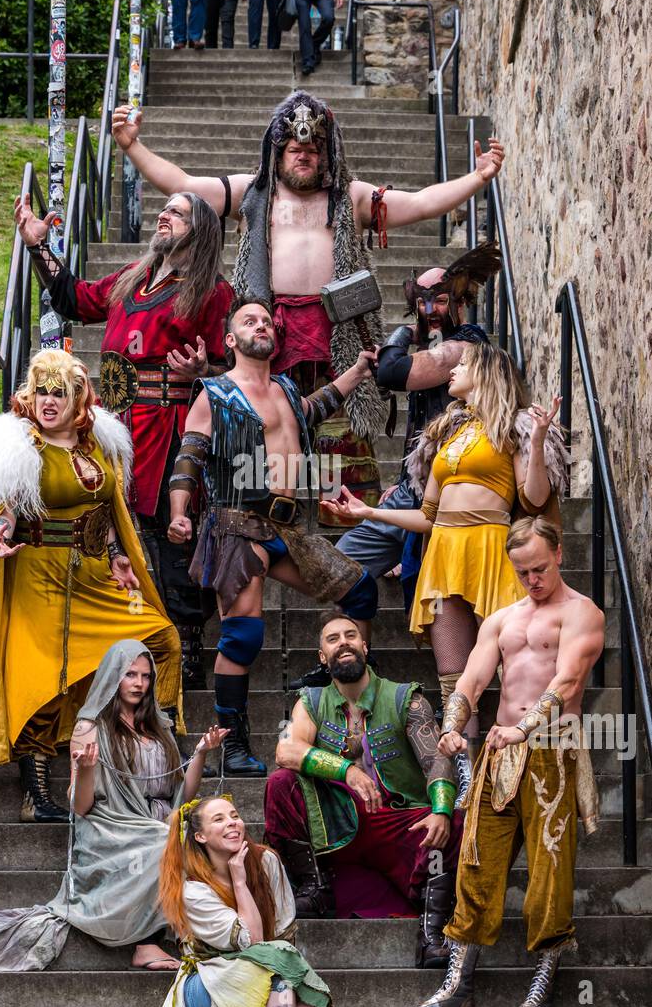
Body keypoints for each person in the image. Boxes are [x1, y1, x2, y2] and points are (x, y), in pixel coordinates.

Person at [111, 88, 505, 530]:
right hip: (266, 343)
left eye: (313, 149)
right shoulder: (251, 193)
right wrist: (132, 145)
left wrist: (478, 178)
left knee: (339, 461)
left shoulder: (350, 198)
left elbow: (417, 203)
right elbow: (185, 185)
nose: (304, 156)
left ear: (328, 153)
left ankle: (345, 544)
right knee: (260, 457)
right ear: (278, 150)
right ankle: (261, 537)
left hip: (335, 348)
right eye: (295, 148)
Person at [0, 350, 181, 823]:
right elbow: (3, 509)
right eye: (41, 392)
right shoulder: (19, 446)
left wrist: (117, 555)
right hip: (38, 575)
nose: (48, 402)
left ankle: (152, 758)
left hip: (95, 573)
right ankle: (36, 795)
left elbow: (108, 510)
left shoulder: (99, 445)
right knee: (43, 679)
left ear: (78, 399)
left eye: (59, 393)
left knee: (161, 640)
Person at [325, 342, 568, 800]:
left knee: (515, 667)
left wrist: (536, 443)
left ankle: (526, 768)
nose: (451, 370)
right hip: (444, 552)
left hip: (491, 549)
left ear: (488, 371)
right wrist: (369, 513)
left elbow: (534, 500)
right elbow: (429, 516)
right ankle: (467, 780)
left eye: (463, 364)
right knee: (454, 677)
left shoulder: (514, 426)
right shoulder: (447, 433)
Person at [15, 190, 233, 691]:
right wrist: (38, 247)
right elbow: (73, 298)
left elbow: (236, 364)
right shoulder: (132, 278)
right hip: (113, 423)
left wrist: (207, 370)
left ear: (199, 230)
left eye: (176, 213)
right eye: (165, 209)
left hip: (170, 422)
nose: (164, 215)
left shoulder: (211, 291)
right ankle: (129, 635)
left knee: (167, 526)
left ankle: (186, 642)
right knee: (114, 521)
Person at [403, 516, 604, 1007]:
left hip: (552, 751)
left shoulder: (582, 613)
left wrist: (526, 728)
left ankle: (542, 986)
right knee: (475, 863)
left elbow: (569, 678)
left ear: (559, 554)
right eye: (522, 572)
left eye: (539, 568)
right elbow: (470, 681)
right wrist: (453, 725)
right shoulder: (503, 618)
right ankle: (457, 988)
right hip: (498, 754)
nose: (532, 579)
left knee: (549, 870)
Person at [168, 297, 380, 775]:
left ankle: (341, 676)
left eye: (266, 320)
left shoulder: (285, 388)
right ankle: (234, 745)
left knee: (361, 589)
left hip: (286, 527)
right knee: (243, 636)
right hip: (236, 525)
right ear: (230, 339)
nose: (260, 325)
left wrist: (359, 371)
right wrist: (180, 513)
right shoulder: (215, 394)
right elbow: (188, 459)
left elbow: (315, 407)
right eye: (249, 320)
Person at [0, 640, 227, 972]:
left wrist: (202, 753)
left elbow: (181, 792)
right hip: (110, 828)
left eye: (146, 676)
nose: (138, 683)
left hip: (160, 819)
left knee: (202, 836)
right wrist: (88, 768)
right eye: (130, 675)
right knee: (161, 845)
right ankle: (147, 944)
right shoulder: (90, 728)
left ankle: (204, 937)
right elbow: (80, 807)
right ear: (112, 677)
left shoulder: (159, 726)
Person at [265, 611, 464, 966]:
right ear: (322, 658)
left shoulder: (407, 698)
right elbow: (286, 750)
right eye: (333, 639)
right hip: (339, 822)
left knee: (458, 821)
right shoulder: (311, 701)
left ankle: (434, 933)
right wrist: (347, 771)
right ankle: (314, 889)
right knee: (281, 783)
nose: (343, 642)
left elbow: (436, 759)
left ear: (365, 646)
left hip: (397, 821)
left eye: (350, 635)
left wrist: (442, 811)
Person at [331, 243, 496, 642]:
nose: (431, 311)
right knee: (342, 564)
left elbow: (391, 371)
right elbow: (422, 428)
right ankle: (357, 656)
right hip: (416, 489)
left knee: (447, 598)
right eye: (422, 303)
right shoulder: (430, 348)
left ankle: (459, 681)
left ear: (461, 303)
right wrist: (405, 478)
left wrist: (402, 333)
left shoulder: (467, 347)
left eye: (440, 300)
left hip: (459, 491)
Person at [131, 795, 340, 1007]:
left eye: (234, 815)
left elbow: (282, 933)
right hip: (206, 983)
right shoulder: (194, 890)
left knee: (313, 999)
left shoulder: (266, 861)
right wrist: (239, 882)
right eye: (219, 820)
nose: (232, 823)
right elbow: (251, 941)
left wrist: (283, 968)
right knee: (276, 973)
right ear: (201, 836)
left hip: (264, 970)